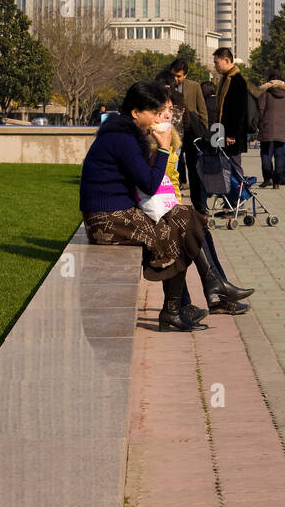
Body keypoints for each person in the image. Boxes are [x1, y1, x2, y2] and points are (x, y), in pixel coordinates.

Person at [80, 81, 208, 332]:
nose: (156, 117)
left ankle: (182, 304)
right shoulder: (122, 139)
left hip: (119, 212)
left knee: (183, 215)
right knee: (176, 232)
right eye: (153, 112)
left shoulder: (126, 134)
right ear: (136, 113)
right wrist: (162, 148)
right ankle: (177, 308)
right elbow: (150, 183)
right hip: (107, 219)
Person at [143, 98, 253, 318]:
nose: (167, 115)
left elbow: (171, 181)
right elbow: (149, 183)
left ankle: (217, 295)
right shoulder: (147, 140)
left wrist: (178, 206)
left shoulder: (169, 137)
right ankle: (196, 301)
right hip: (146, 211)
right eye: (161, 110)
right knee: (182, 235)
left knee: (201, 229)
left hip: (163, 206)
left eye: (170, 110)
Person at [168, 58, 209, 213]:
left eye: (179, 76)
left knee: (195, 169)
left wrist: (204, 129)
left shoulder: (194, 86)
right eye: (174, 75)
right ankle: (172, 203)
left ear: (185, 75)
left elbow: (202, 109)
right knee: (173, 167)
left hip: (191, 133)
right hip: (173, 134)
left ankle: (199, 206)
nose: (176, 79)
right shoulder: (167, 87)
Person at [256, 71, 285, 188]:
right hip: (282, 129)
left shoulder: (265, 93)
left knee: (265, 154)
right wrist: (284, 121)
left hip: (266, 128)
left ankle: (267, 178)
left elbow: (260, 110)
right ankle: (277, 181)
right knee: (280, 155)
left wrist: (260, 124)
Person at [213, 47, 249, 170]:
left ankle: (239, 189)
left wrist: (232, 134)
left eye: (217, 63)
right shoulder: (224, 79)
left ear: (227, 60)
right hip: (222, 131)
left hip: (231, 134)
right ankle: (227, 189)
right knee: (223, 167)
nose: (215, 66)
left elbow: (239, 110)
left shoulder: (237, 81)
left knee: (234, 166)